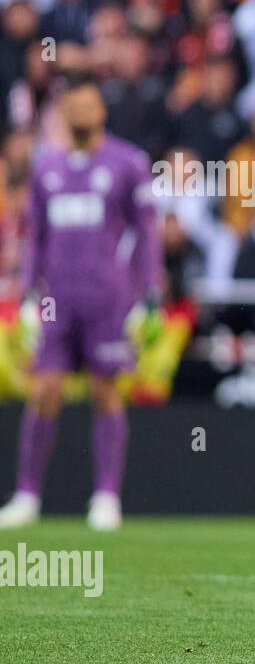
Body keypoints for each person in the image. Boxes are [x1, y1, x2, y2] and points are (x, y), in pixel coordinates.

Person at [0, 76, 161, 530]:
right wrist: (29, 293)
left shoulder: (127, 163)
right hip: (58, 300)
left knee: (106, 391)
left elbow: (146, 233)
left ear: (101, 113)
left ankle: (107, 496)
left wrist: (147, 292)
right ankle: (27, 495)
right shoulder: (45, 167)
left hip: (107, 298)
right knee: (43, 390)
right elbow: (37, 237)